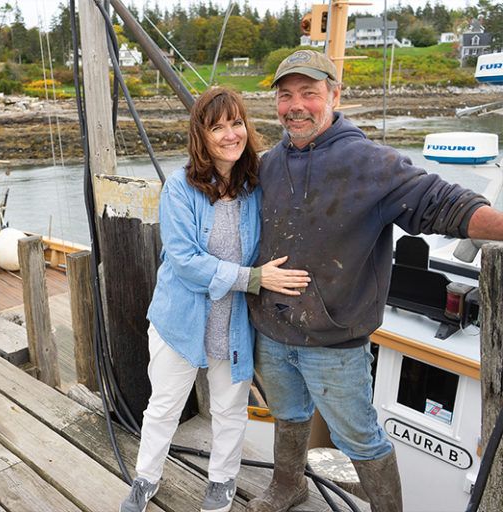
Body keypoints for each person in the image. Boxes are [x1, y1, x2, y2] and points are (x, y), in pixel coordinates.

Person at [245, 49, 503, 512]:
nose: (296, 105)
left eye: (309, 92)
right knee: (287, 413)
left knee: (360, 436)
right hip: (270, 329)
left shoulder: (371, 162)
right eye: (286, 96)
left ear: (335, 95)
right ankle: (288, 485)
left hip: (334, 341)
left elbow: (446, 204)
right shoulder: (264, 164)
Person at [120, 87, 310, 512]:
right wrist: (253, 278)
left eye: (236, 123)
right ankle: (145, 477)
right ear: (200, 136)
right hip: (180, 319)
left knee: (230, 410)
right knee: (165, 405)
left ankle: (221, 483)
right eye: (217, 126)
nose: (230, 134)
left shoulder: (257, 187)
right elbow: (185, 261)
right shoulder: (179, 187)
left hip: (235, 323)